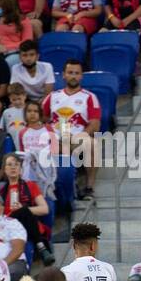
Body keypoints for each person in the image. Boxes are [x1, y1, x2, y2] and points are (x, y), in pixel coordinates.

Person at [42, 60, 101, 200]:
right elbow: (43, 119)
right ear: (63, 75)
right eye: (70, 73)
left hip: (77, 138)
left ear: (81, 76)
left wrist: (76, 138)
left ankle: (89, 188)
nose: (73, 76)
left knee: (92, 144)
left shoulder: (89, 97)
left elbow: (95, 124)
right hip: (54, 139)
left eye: (76, 73)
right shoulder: (52, 96)